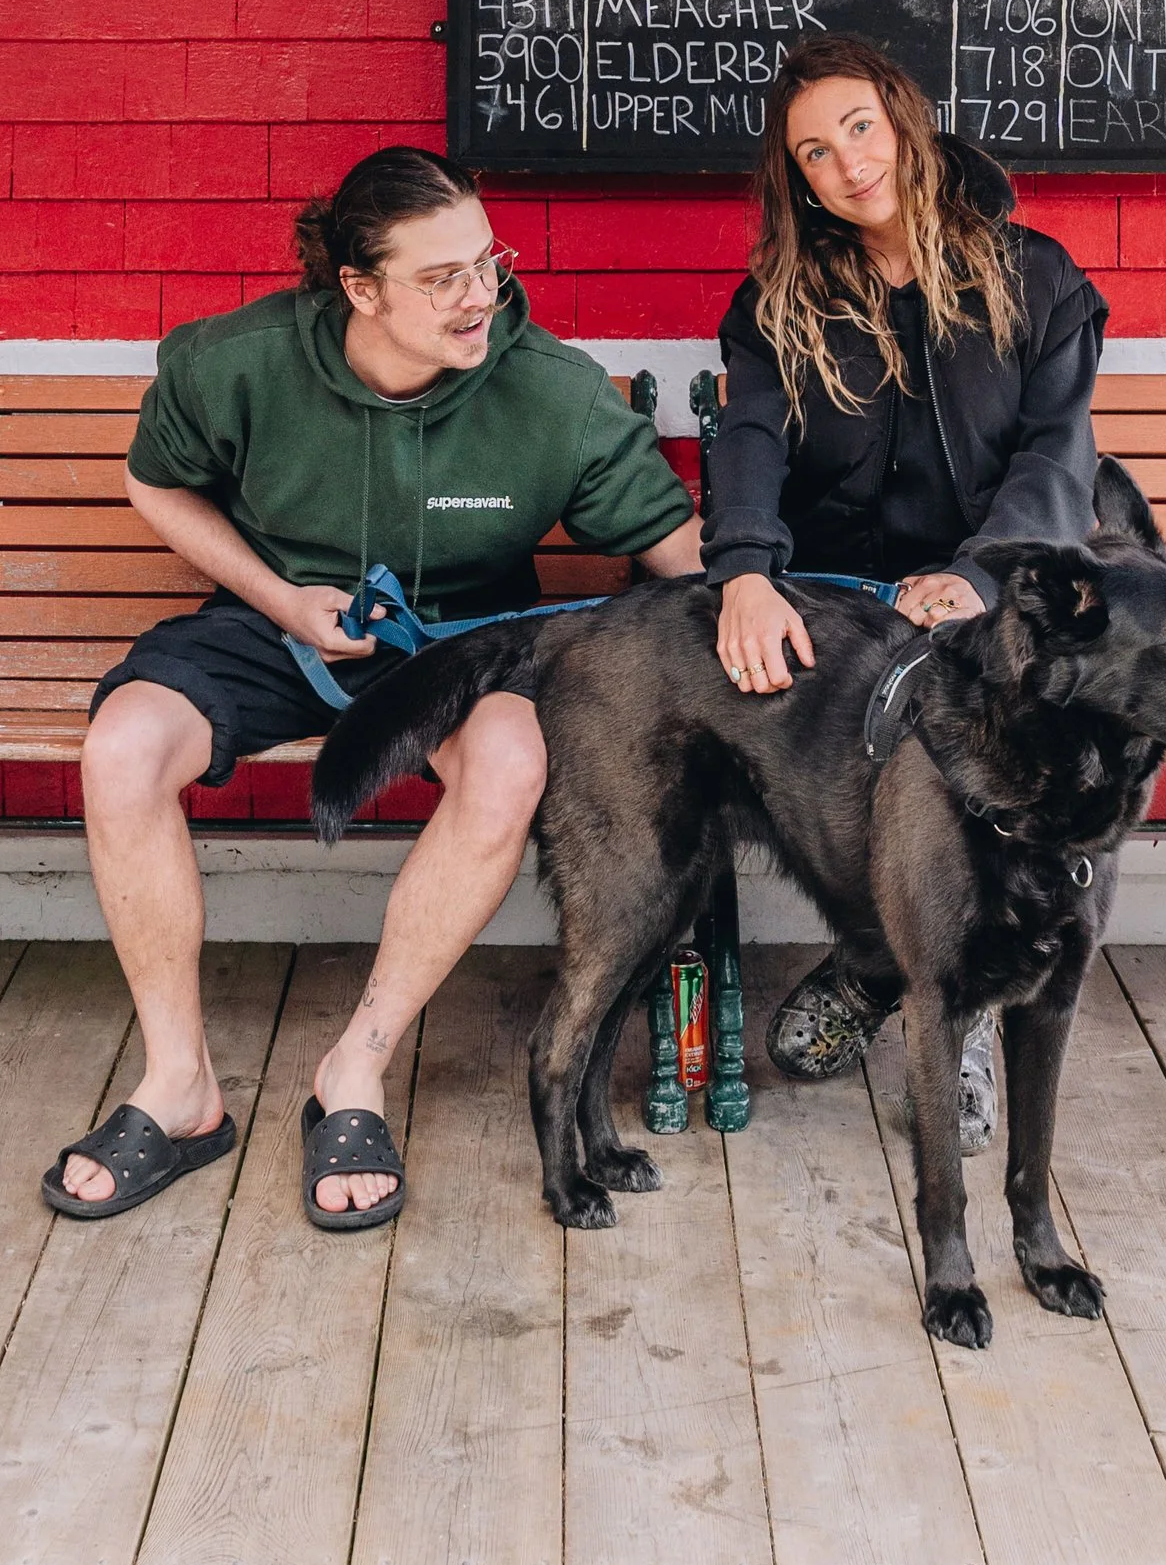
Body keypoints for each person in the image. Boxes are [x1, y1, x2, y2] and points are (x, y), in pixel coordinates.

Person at [48, 147, 701, 1230]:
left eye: (486, 261)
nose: (479, 295)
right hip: (272, 623)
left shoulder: (554, 393)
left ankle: (355, 1066)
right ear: (360, 287)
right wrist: (276, 594)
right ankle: (179, 1088)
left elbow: (681, 554)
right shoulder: (236, 362)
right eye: (440, 276)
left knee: (511, 758)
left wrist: (756, 603)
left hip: (459, 645)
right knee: (120, 749)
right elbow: (153, 483)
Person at [703, 34, 1107, 1147]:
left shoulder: (1034, 278)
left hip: (1000, 592)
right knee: (796, 722)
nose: (846, 165)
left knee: (994, 731)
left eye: (860, 130)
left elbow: (1055, 459)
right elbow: (746, 441)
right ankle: (885, 956)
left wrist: (981, 577)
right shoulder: (779, 300)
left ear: (904, 121)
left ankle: (947, 1000)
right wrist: (744, 573)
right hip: (839, 604)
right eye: (814, 153)